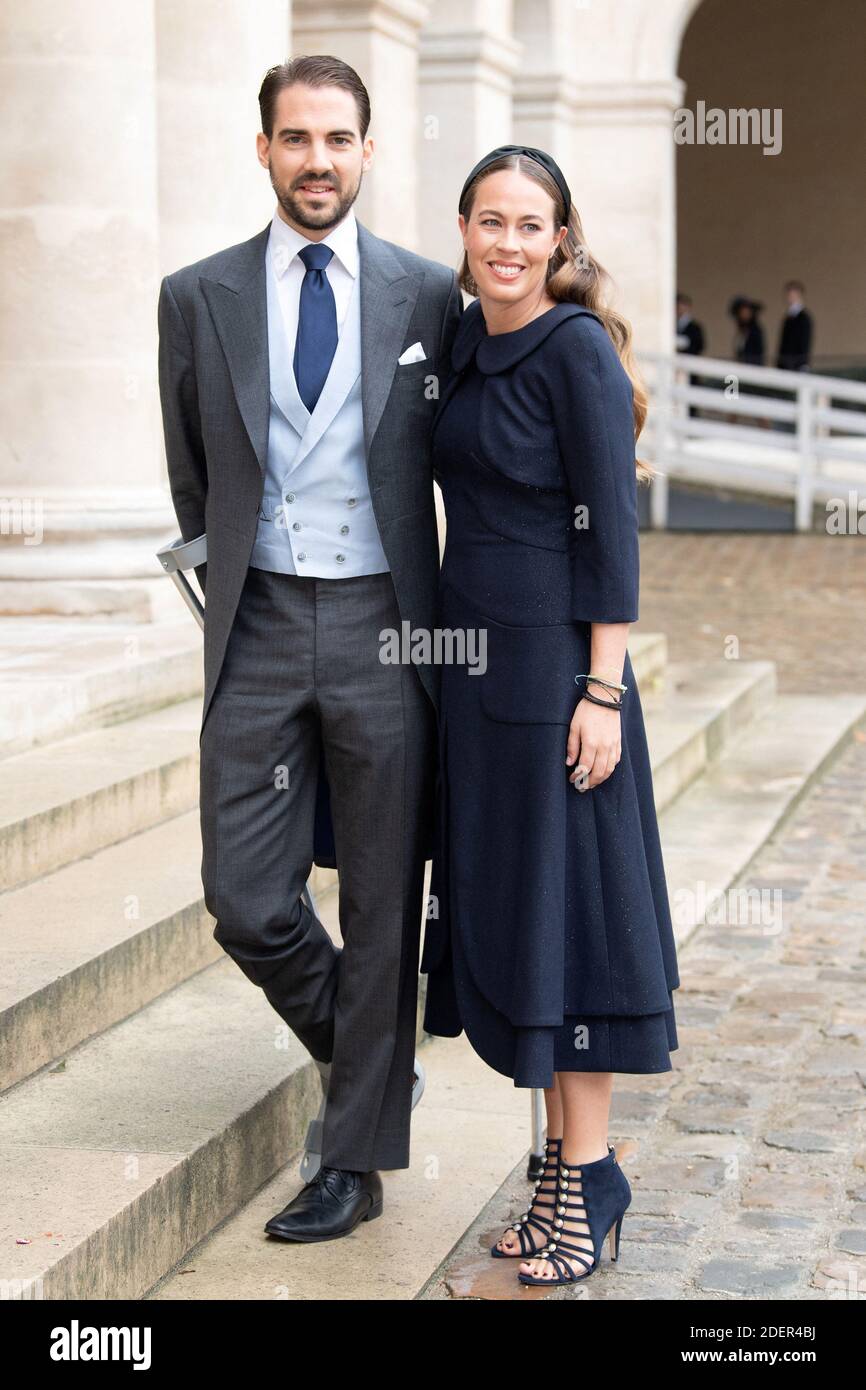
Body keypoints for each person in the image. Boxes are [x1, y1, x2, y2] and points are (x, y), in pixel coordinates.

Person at [157, 55, 462, 1244]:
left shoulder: (426, 294)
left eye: (338, 139)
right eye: (297, 139)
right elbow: (194, 472)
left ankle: (353, 1157)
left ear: (369, 150)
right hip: (260, 618)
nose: (318, 160)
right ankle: (373, 1069)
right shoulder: (197, 294)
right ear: (264, 148)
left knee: (384, 896)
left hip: (390, 619)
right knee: (243, 894)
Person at [420, 146, 680, 1287]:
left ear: (561, 239)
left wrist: (602, 692)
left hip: (558, 691)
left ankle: (590, 1173)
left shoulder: (573, 351)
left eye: (530, 225)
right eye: (489, 221)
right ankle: (560, 1174)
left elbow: (609, 535)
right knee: (524, 921)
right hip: (476, 689)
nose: (508, 243)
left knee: (571, 928)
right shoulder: (466, 343)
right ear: (465, 229)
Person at [676, 291, 705, 419]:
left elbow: (700, 345)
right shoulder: (672, 324)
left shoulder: (695, 327)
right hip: (676, 368)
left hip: (689, 366)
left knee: (691, 401)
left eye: (682, 305)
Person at [776, 279, 813, 371]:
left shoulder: (804, 318)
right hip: (786, 365)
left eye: (793, 294)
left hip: (797, 364)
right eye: (789, 294)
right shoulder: (788, 318)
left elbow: (804, 342)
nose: (790, 297)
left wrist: (802, 363)